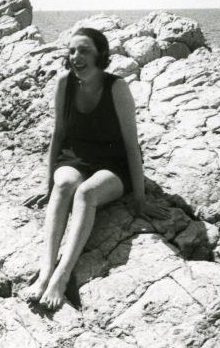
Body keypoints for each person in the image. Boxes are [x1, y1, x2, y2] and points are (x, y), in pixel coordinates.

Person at [22, 27, 168, 310]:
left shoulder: (117, 88)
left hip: (113, 164)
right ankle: (44, 273)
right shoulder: (65, 82)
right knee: (64, 186)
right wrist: (47, 184)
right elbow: (58, 134)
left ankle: (61, 277)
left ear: (101, 54)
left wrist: (140, 199)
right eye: (73, 51)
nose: (76, 57)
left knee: (86, 194)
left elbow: (131, 145)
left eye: (84, 50)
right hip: (75, 157)